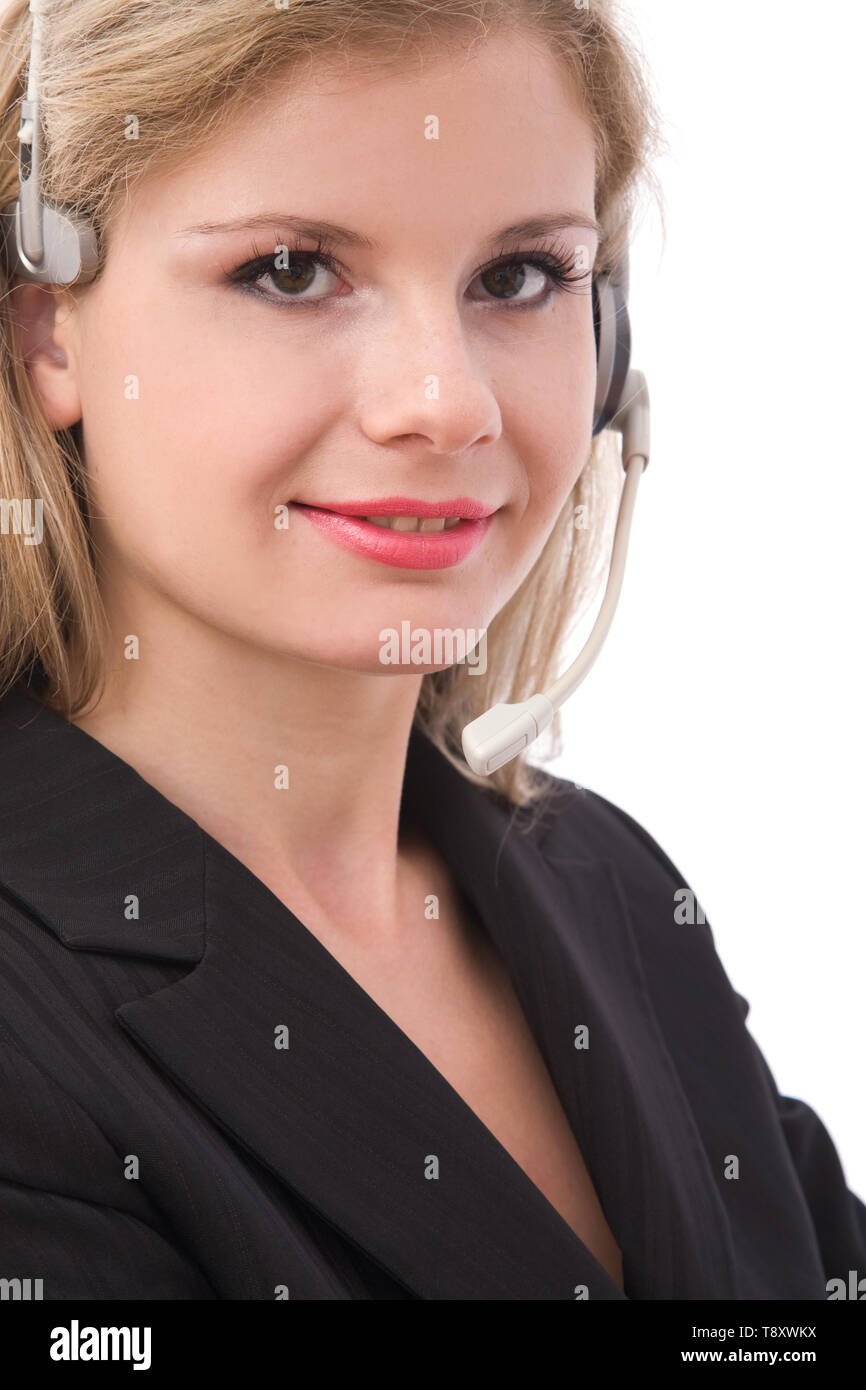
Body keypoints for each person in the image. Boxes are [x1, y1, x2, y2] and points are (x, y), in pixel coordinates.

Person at [0, 0, 863, 1301]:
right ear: (46, 326)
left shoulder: (606, 887)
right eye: (291, 269)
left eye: (516, 276)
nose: (445, 400)